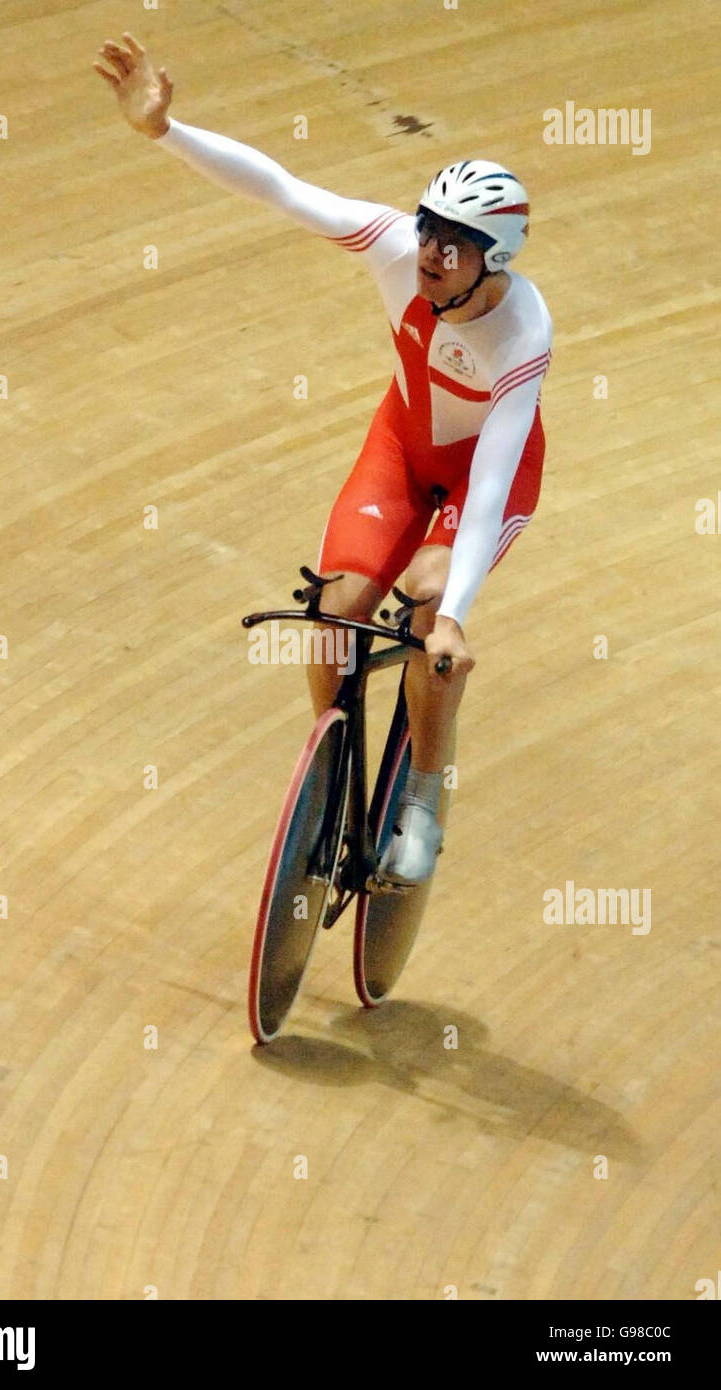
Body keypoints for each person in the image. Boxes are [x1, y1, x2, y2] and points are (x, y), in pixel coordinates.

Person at [94, 32, 552, 886]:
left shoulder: (522, 332)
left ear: (493, 259)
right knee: (337, 606)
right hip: (401, 443)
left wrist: (453, 610)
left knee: (422, 610)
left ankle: (419, 798)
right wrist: (167, 130)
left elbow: (489, 481)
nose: (427, 253)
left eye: (451, 244)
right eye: (427, 230)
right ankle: (332, 773)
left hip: (486, 472)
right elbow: (281, 189)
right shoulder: (388, 245)